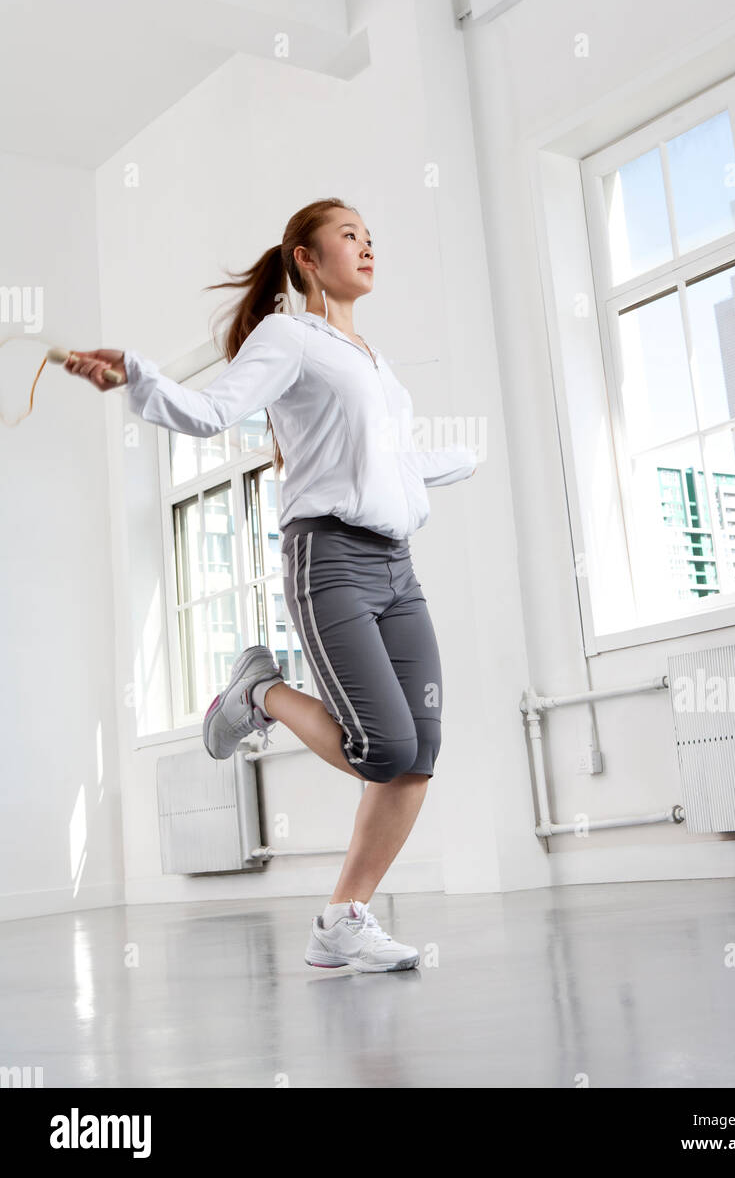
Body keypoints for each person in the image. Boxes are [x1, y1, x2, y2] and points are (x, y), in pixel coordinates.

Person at [65, 197, 479, 974]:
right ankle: (258, 696)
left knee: (420, 752)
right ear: (306, 259)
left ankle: (343, 920)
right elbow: (210, 410)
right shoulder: (288, 336)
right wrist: (136, 375)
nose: (367, 246)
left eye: (372, 236)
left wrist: (465, 458)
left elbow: (392, 469)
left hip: (398, 566)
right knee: (383, 747)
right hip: (330, 563)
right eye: (349, 235)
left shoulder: (378, 367)